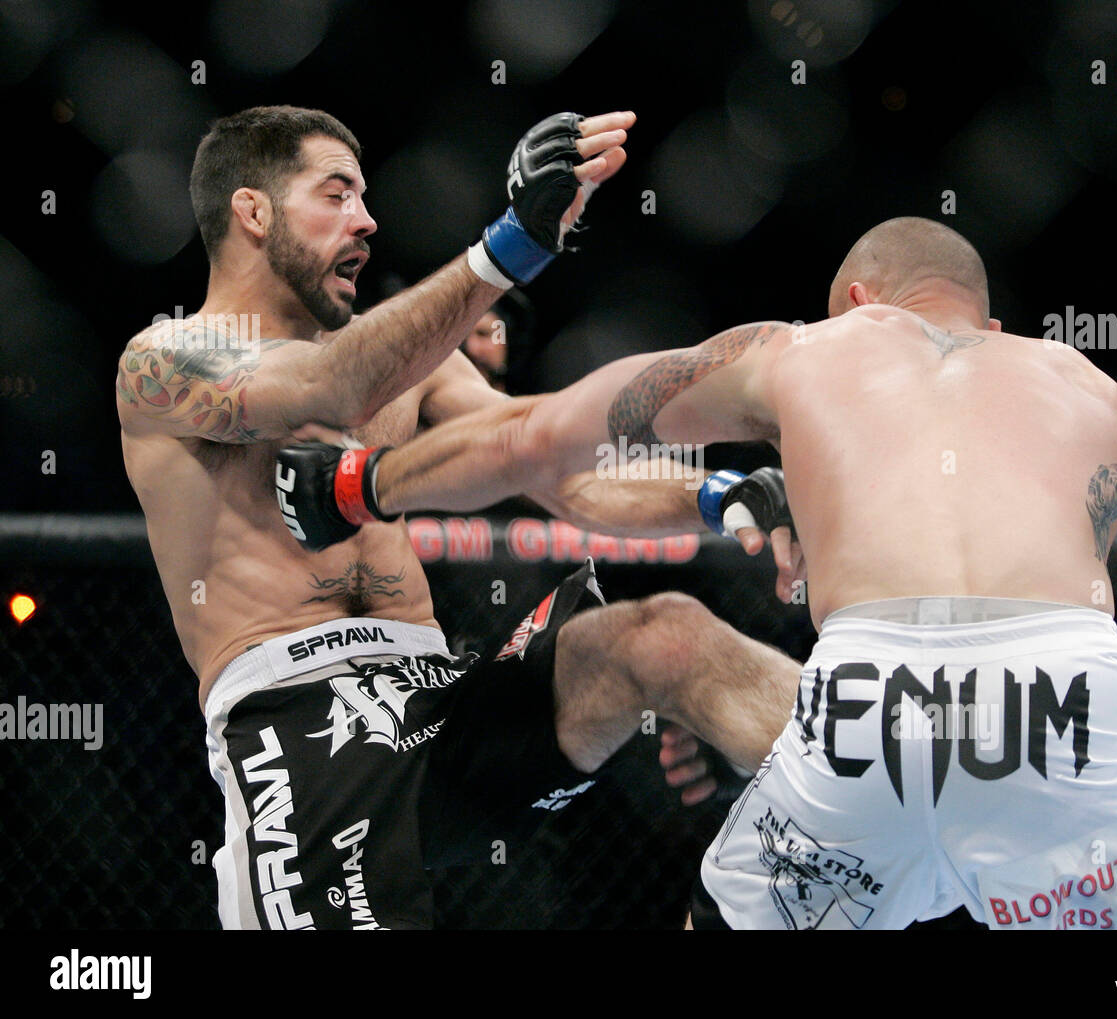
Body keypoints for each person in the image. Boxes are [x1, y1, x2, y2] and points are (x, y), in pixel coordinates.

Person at [288, 216, 1117, 930]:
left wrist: (361, 484)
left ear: (856, 304)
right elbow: (1010, 589)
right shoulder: (1090, 392)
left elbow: (540, 437)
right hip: (1069, 698)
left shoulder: (802, 351)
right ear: (993, 324)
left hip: (867, 710)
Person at [116, 104, 797, 929]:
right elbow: (325, 388)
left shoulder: (405, 369)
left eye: (366, 195)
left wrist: (722, 495)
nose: (366, 219)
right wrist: (506, 249)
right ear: (252, 212)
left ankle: (871, 789)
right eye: (335, 193)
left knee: (665, 636)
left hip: (435, 699)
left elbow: (546, 455)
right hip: (298, 728)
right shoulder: (164, 361)